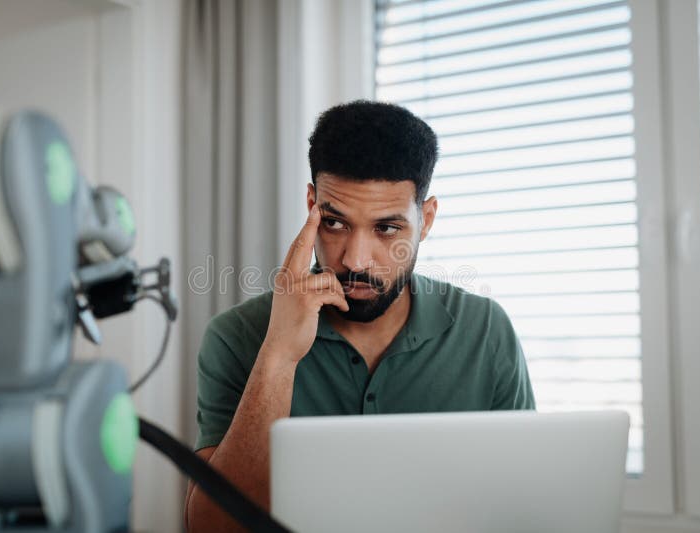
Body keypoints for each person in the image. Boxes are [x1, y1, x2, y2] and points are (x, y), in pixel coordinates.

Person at [184, 100, 535, 532]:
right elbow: (213, 527)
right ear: (311, 203)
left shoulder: (486, 331)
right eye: (334, 224)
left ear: (425, 220)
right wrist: (278, 356)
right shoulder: (235, 336)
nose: (356, 259)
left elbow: (525, 508)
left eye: (387, 228)